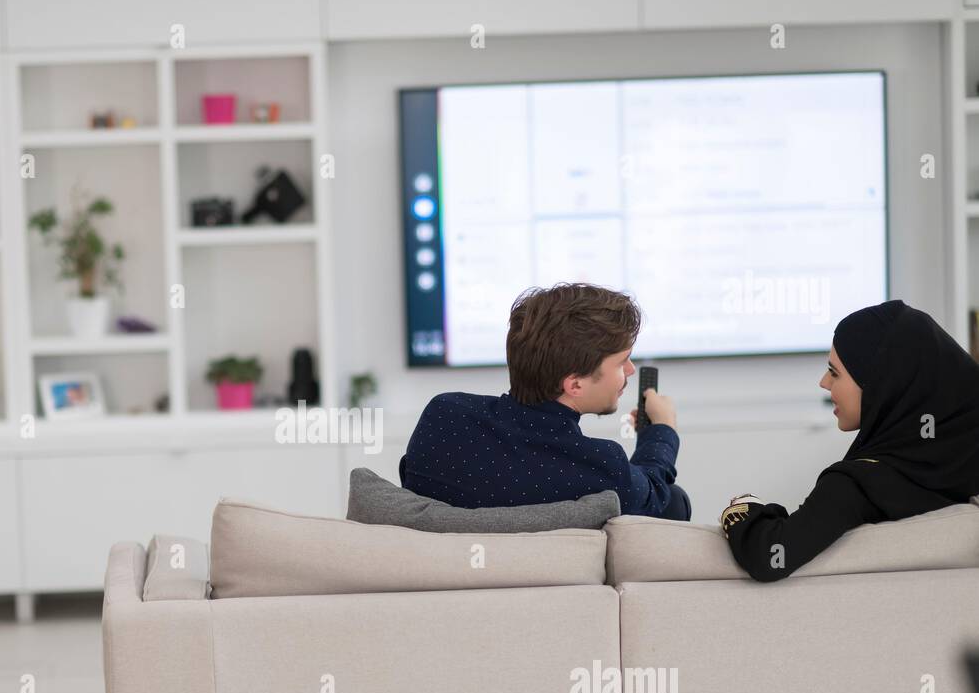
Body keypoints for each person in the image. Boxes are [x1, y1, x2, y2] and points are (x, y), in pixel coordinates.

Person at [720, 300, 979, 581]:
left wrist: (742, 509)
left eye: (834, 373)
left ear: (881, 384)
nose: (824, 382)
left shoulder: (860, 485)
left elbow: (772, 554)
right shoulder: (965, 464)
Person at [399, 283, 690, 519]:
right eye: (622, 362)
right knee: (676, 502)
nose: (630, 370)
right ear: (574, 384)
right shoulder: (600, 467)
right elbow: (656, 494)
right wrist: (662, 429)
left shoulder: (444, 416)